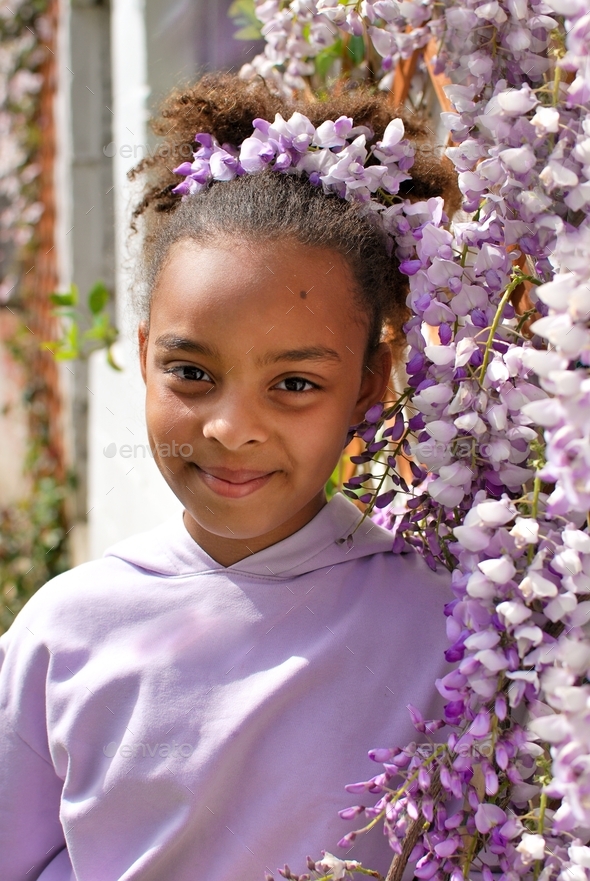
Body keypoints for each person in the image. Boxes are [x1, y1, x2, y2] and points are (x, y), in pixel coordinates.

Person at [0, 72, 459, 881]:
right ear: (143, 356)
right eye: (191, 372)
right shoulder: (62, 634)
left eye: (293, 384)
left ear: (368, 382)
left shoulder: (447, 629)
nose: (230, 428)